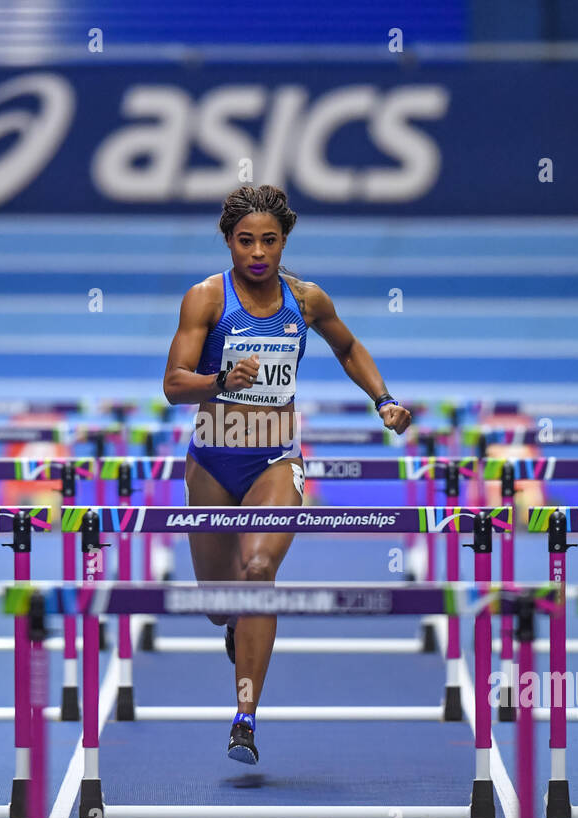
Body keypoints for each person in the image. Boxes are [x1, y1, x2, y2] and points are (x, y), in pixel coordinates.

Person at [162, 185, 412, 764]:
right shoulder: (204, 299)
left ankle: (244, 718)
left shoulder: (306, 299)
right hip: (213, 455)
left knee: (258, 570)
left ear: (284, 242)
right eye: (245, 241)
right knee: (221, 602)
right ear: (228, 241)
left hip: (276, 458)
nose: (257, 252)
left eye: (268, 241)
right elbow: (173, 384)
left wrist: (384, 400)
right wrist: (222, 381)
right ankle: (234, 627)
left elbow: (348, 348)